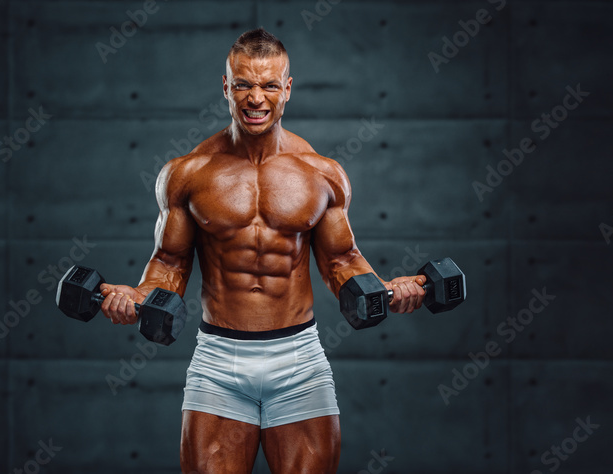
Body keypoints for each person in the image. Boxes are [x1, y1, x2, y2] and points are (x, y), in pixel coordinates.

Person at [97, 28, 427, 474]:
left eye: (270, 85)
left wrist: (388, 289)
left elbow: (341, 261)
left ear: (287, 88)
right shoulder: (187, 174)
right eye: (244, 85)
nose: (256, 98)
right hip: (218, 361)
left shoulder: (322, 174)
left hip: (299, 360)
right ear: (226, 86)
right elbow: (170, 263)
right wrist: (137, 296)